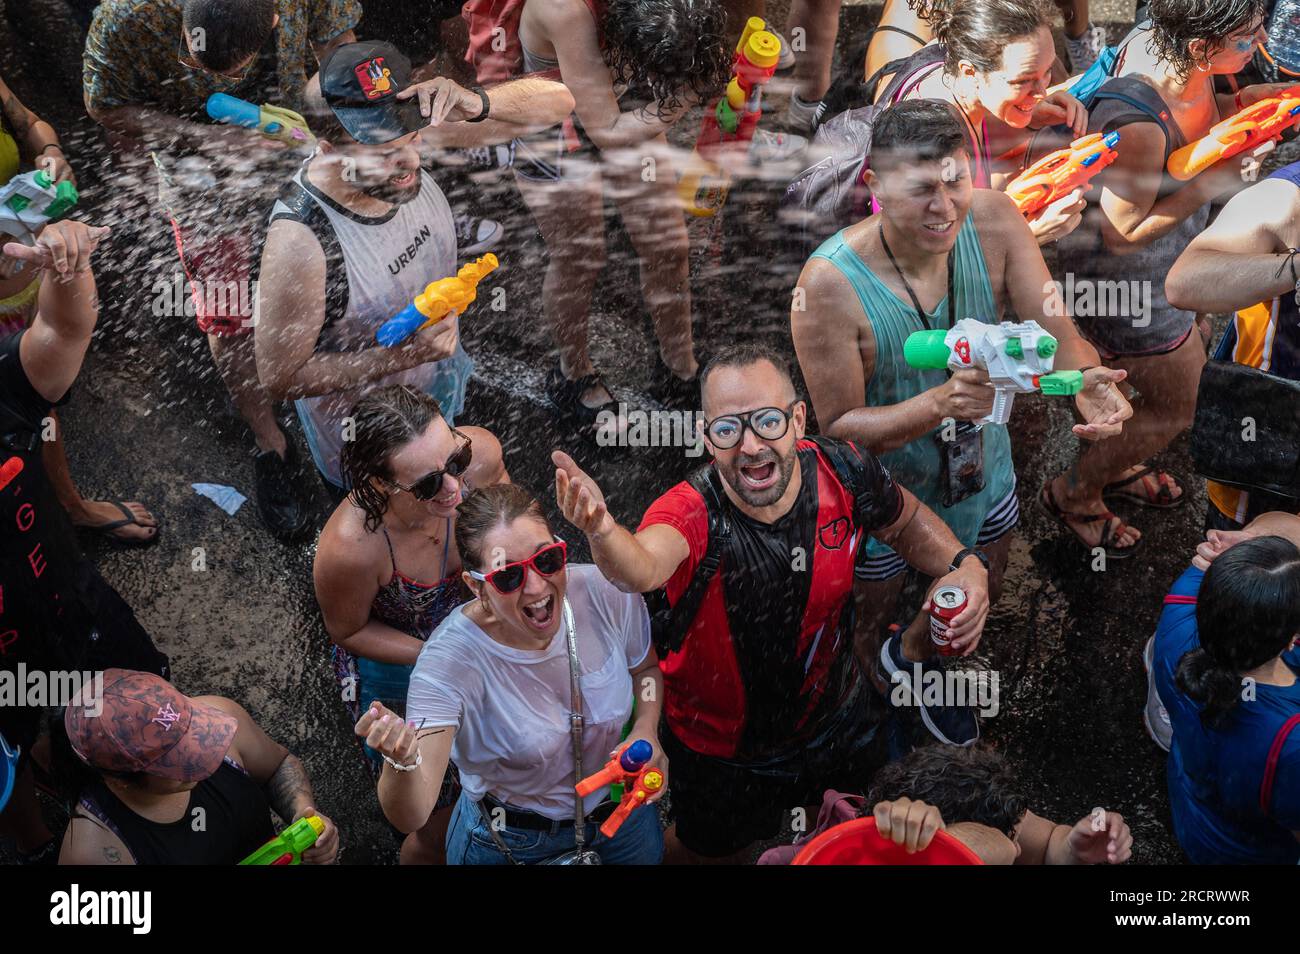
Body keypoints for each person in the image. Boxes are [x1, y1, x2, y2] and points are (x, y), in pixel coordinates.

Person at [553, 343, 994, 863]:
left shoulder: (843, 469)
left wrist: (965, 564)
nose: (751, 446)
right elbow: (641, 567)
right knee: (712, 852)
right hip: (723, 753)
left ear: (798, 419)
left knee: (867, 830)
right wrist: (602, 530)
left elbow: (902, 521)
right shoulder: (691, 514)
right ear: (705, 438)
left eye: (767, 421)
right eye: (727, 429)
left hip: (836, 716)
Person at [791, 102, 1130, 702]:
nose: (944, 209)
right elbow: (837, 435)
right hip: (885, 500)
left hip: (984, 473)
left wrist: (1085, 383)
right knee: (870, 620)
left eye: (955, 182)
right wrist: (939, 405)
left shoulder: (997, 221)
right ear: (874, 184)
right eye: (922, 189)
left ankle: (930, 662)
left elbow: (1052, 330)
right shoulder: (827, 287)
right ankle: (882, 697)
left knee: (981, 582)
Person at [83, 0, 362, 538]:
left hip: (294, 152)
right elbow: (106, 106)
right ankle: (271, 445)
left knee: (324, 291)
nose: (215, 74)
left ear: (277, 16)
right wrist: (206, 138)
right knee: (229, 313)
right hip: (199, 181)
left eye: (232, 66)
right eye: (198, 59)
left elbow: (339, 46)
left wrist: (350, 121)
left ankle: (347, 416)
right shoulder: (125, 15)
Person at [255, 40, 572, 493]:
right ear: (328, 150)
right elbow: (281, 377)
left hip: (434, 396)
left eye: (414, 138)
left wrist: (475, 102)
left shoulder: (401, 142)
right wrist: (404, 356)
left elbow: (560, 103)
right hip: (370, 449)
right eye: (384, 153)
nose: (410, 162)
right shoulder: (301, 245)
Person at [1047, 0, 1298, 554]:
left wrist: (1243, 107)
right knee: (1181, 404)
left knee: (1137, 396)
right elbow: (1121, 231)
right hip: (1131, 285)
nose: (1258, 47)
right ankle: (1076, 494)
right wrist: (1220, 179)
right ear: (1198, 46)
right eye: (1246, 37)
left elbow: (1197, 133)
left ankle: (1112, 463)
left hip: (1162, 270)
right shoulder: (1135, 119)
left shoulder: (1173, 49)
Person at [361, 483, 666, 865]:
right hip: (513, 842)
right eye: (508, 577)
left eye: (548, 560)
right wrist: (401, 760)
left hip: (625, 816)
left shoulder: (606, 591)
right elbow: (412, 814)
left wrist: (646, 730)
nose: (536, 586)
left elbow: (646, 671)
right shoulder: (448, 663)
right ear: (476, 586)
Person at [463, 0, 735, 422]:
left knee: (667, 242)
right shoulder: (566, 10)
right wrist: (687, 95)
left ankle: (679, 367)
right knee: (579, 258)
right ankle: (573, 372)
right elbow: (607, 131)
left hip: (619, 99)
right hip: (552, 127)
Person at [0, 221, 171, 865]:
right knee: (4, 758)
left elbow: (62, 332)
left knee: (138, 691)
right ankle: (37, 842)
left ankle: (65, 759)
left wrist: (67, 271)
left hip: (69, 595)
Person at [314, 385, 507, 863]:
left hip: (484, 627)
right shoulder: (350, 550)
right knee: (431, 803)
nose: (455, 489)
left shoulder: (480, 457)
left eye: (455, 462)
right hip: (404, 657)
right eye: (426, 485)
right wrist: (438, 657)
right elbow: (349, 632)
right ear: (381, 485)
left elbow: (507, 527)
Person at [1, 73, 157, 544]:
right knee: (32, 408)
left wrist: (50, 153)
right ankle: (70, 507)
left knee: (48, 392)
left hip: (29, 275)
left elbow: (29, 123)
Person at [54, 669, 339, 865]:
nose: (201, 754)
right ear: (121, 781)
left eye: (191, 734)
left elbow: (277, 766)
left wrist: (302, 811)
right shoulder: (95, 852)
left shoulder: (220, 715)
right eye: (175, 760)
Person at [870, 0, 1093, 246]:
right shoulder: (932, 138)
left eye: (1047, 72)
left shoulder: (954, 61)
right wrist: (1029, 236)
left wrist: (1031, 114)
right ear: (969, 72)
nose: (1043, 92)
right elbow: (929, 258)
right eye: (1024, 80)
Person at [1150, 514, 1300, 864]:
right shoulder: (1288, 744)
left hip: (1196, 825)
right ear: (1293, 639)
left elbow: (1276, 523)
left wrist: (1250, 539)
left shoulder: (1180, 611)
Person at [1166, 157, 1300, 530]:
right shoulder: (1288, 197)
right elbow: (1185, 281)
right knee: (1251, 570)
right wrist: (1294, 268)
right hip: (1275, 446)